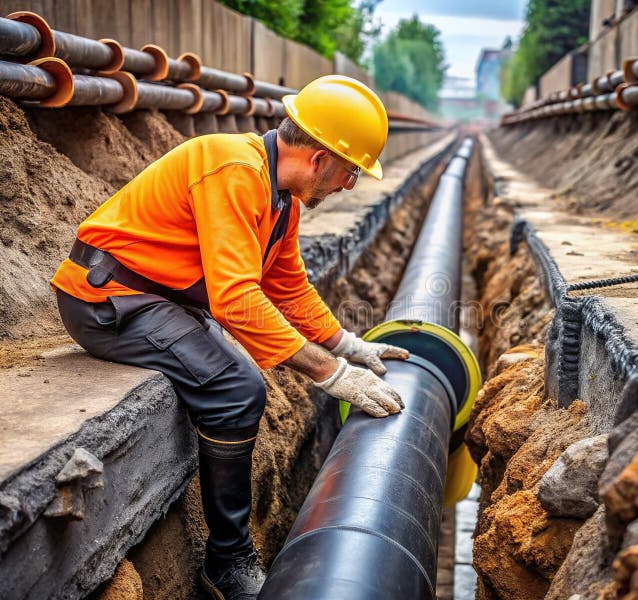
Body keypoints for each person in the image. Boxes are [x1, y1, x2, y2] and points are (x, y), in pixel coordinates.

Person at [50, 75, 409, 600]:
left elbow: (286, 287)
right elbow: (237, 299)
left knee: (232, 365)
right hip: (106, 301)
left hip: (153, 297)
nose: (348, 186)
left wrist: (347, 346)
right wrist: (333, 376)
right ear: (319, 159)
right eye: (350, 171)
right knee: (237, 387)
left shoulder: (278, 195)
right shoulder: (236, 171)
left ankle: (231, 554)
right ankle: (228, 561)